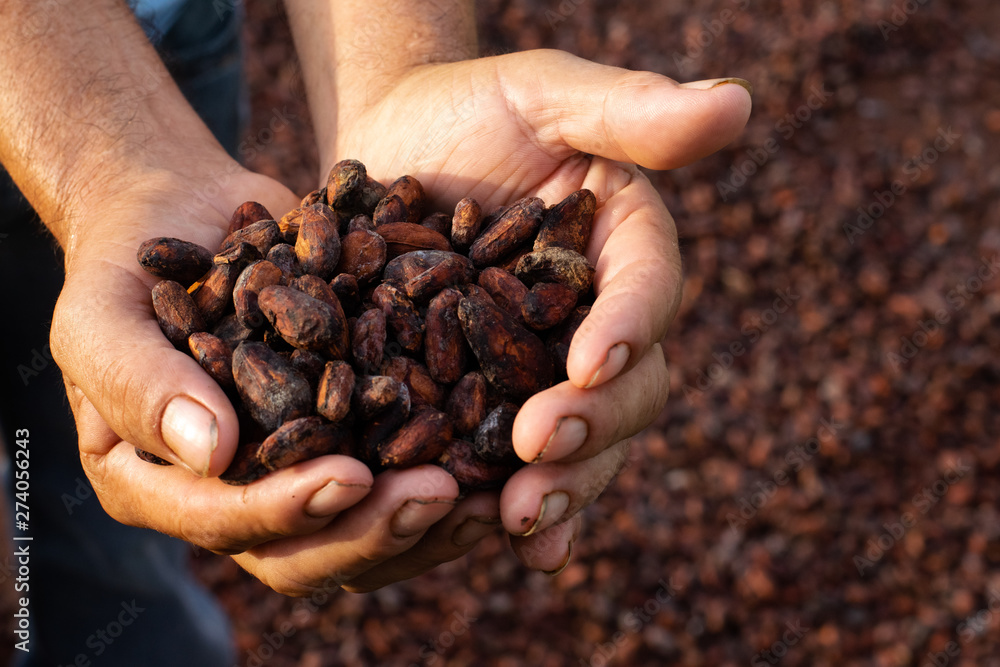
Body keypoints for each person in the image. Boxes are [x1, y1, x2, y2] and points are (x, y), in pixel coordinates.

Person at [0, 0, 751, 663]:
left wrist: (397, 66)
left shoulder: (385, 298)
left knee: (97, 515)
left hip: (174, 27)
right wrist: (97, 166)